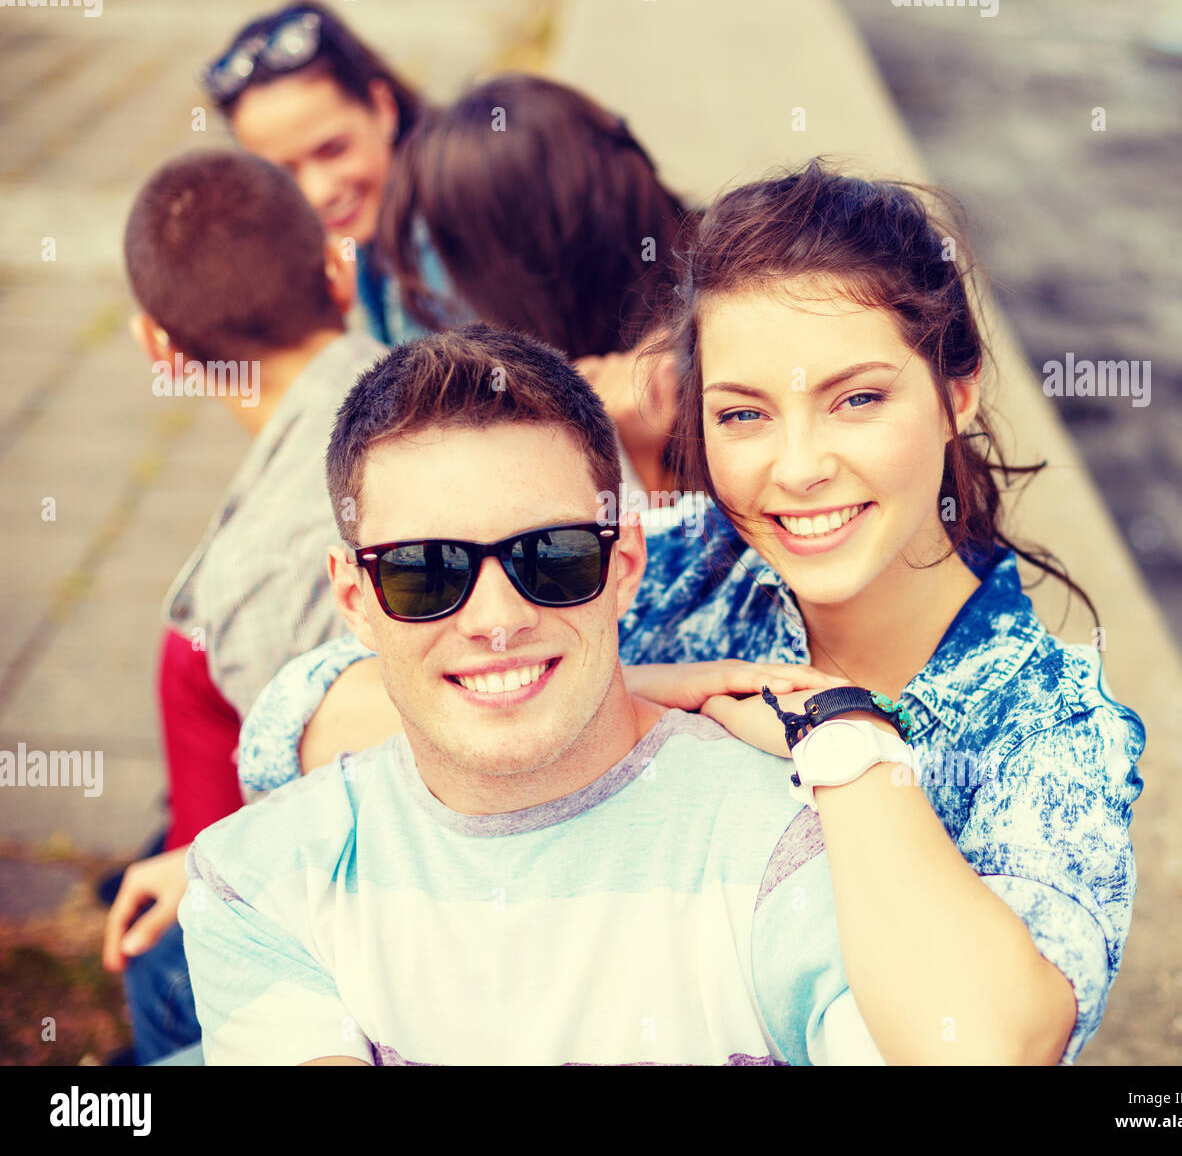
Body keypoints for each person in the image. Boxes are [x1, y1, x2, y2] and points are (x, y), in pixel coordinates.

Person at [238, 160, 1145, 1063]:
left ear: (957, 391)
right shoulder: (679, 565)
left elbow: (988, 1050)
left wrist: (842, 743)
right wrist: (637, 691)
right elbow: (294, 718)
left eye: (857, 400)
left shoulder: (1044, 724)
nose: (797, 468)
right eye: (745, 416)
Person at [179, 325, 890, 1065]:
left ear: (625, 565)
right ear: (353, 598)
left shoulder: (792, 854)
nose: (496, 622)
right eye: (426, 572)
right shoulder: (254, 880)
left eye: (552, 556)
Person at [105, 149, 386, 1063]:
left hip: (279, 926)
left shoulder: (266, 569)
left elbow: (352, 816)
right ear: (337, 273)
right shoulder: (415, 381)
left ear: (160, 349)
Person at [377, 72, 696, 493]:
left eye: (450, 251)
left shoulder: (697, 383)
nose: (433, 290)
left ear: (535, 259)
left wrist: (641, 471)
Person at [201, 0, 456, 345]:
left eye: (334, 149)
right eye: (283, 175)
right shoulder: (375, 223)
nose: (318, 192)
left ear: (382, 108)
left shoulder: (451, 232)